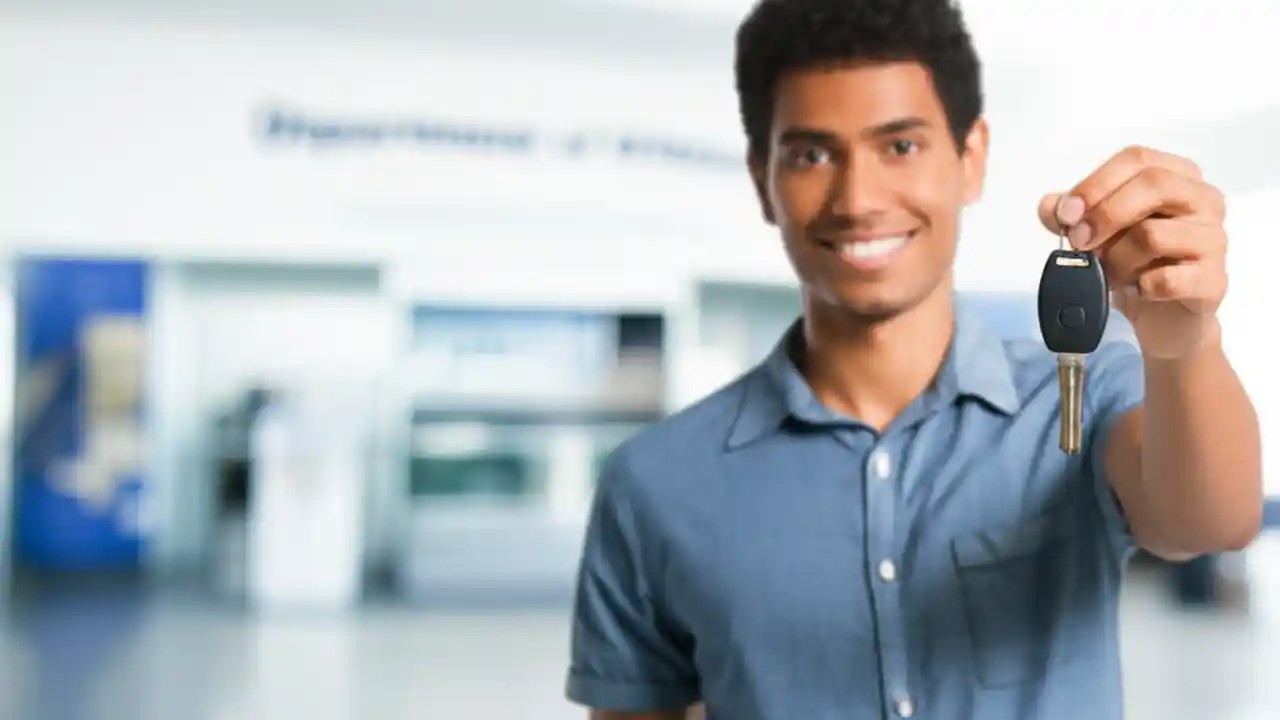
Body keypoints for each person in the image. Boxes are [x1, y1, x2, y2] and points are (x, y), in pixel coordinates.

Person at [565, 0, 1263, 718]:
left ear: (971, 158)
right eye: (811, 155)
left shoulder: (1083, 404)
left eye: (899, 146)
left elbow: (1211, 523)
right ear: (761, 179)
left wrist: (1185, 346)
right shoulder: (651, 485)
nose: (858, 199)